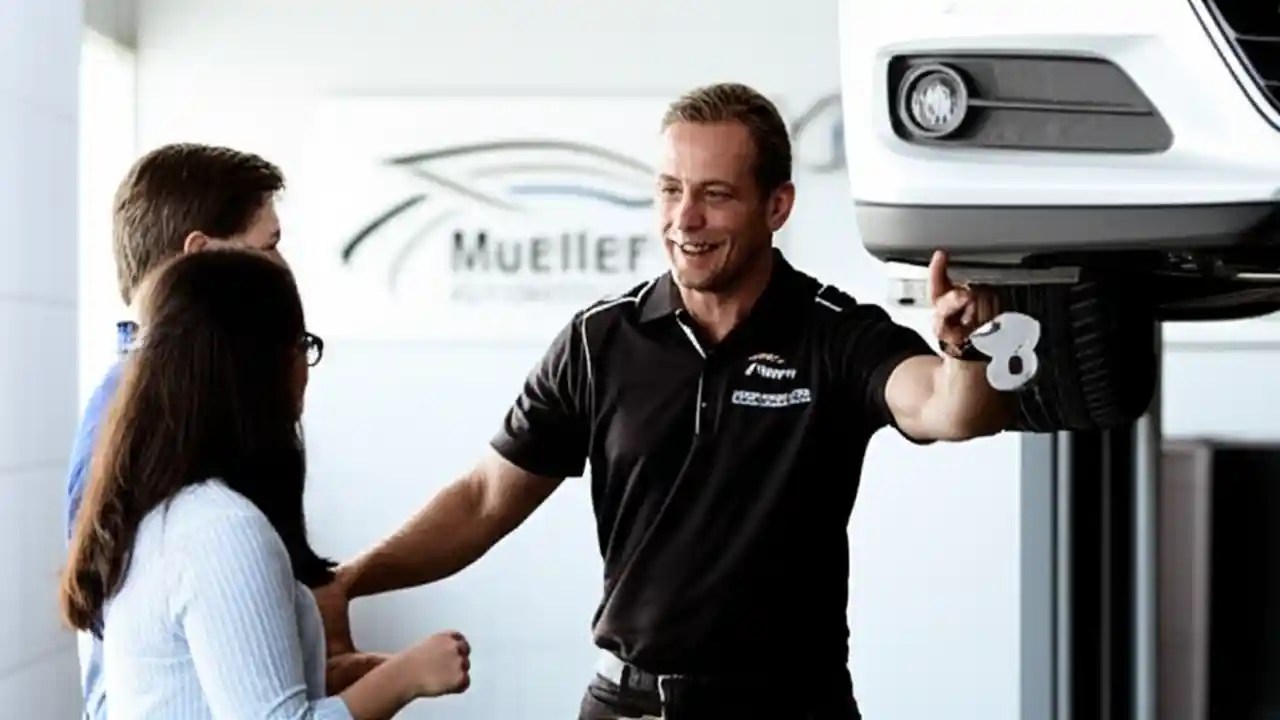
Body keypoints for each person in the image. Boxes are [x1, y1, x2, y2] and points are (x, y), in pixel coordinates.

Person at [314, 82, 1016, 719]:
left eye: (715, 194)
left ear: (778, 205)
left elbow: (951, 410)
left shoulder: (834, 334)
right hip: (627, 705)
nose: (686, 218)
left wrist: (965, 349)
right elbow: (483, 500)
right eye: (670, 189)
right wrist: (350, 580)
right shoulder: (598, 341)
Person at [58, 249, 472, 719]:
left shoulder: (172, 514)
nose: (306, 367)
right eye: (302, 344)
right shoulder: (219, 529)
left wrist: (356, 678)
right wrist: (408, 676)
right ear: (257, 363)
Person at [64, 143, 381, 719]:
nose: (283, 269)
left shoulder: (186, 478)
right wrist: (401, 682)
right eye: (270, 247)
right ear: (201, 257)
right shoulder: (205, 513)